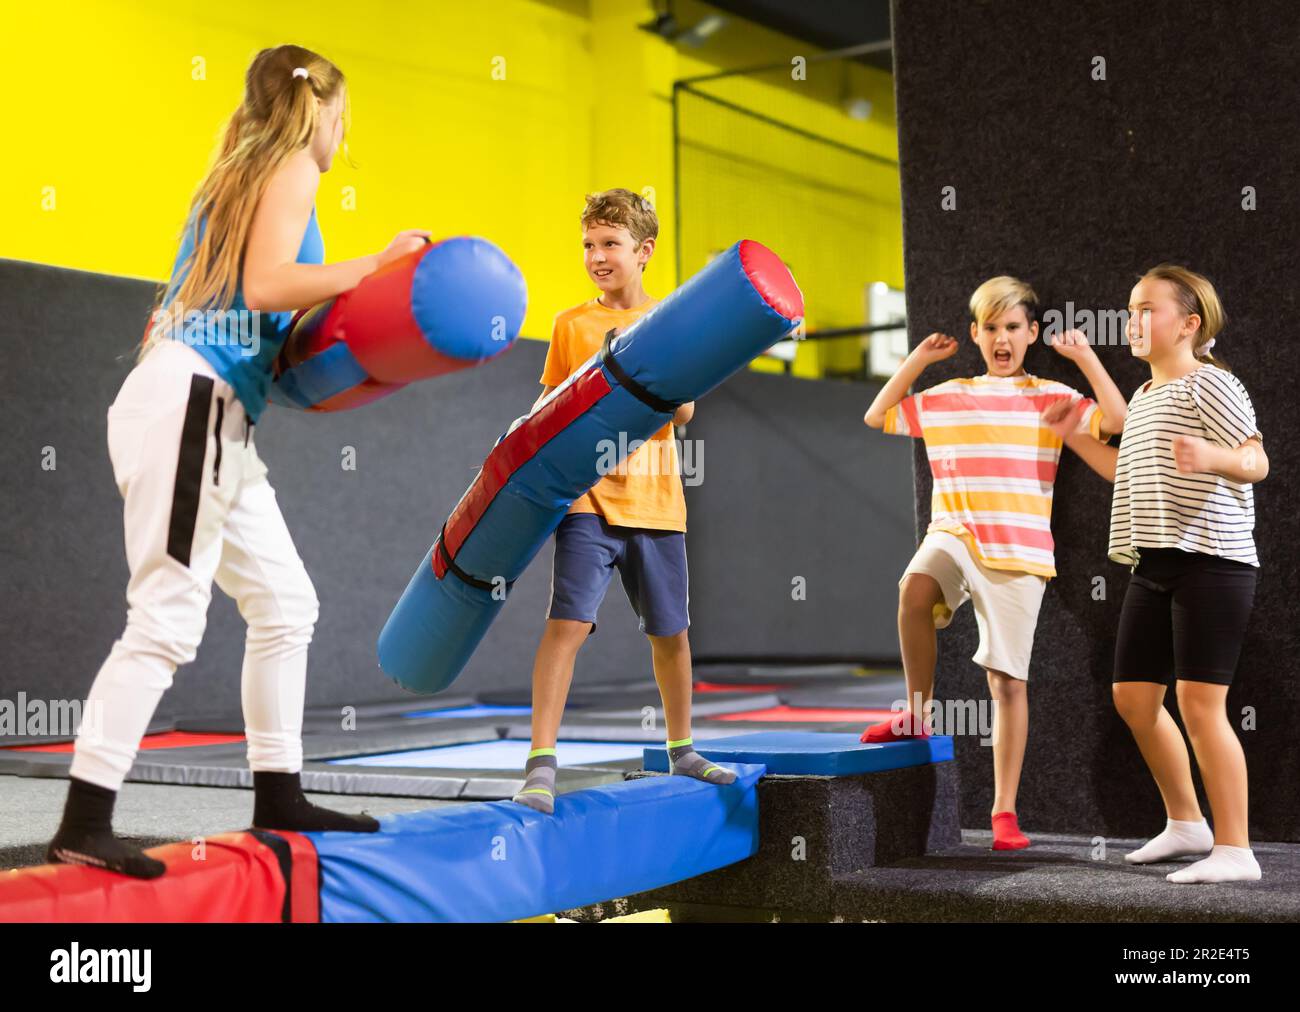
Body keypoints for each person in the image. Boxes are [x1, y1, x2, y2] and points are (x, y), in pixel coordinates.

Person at [47, 44, 429, 878]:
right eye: (344, 118)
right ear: (323, 111)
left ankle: (278, 791)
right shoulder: (292, 162)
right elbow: (264, 287)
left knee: (287, 603)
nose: (342, 135)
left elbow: (258, 304)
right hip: (191, 404)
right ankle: (85, 816)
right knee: (166, 619)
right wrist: (379, 265)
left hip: (210, 414)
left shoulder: (242, 165)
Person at [861, 276, 1128, 849]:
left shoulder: (1053, 395)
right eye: (991, 328)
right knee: (913, 588)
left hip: (1020, 550)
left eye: (1013, 327)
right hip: (954, 532)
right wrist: (915, 359)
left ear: (1031, 333)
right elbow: (876, 415)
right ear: (975, 334)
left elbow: (1120, 420)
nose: (1001, 338)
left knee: (1006, 684)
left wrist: (1084, 358)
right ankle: (914, 712)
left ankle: (1005, 813)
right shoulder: (949, 393)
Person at [1043, 264, 1267, 883]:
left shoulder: (1210, 385)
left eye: (1147, 310)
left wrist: (1215, 456)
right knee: (1134, 698)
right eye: (1130, 309)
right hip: (1154, 564)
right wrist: (1073, 437)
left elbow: (1257, 459)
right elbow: (1127, 474)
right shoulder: (1145, 395)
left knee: (1200, 705)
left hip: (1213, 564)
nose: (1132, 321)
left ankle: (1236, 850)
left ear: (1188, 324)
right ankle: (1186, 822)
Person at [511, 188, 732, 815]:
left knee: (671, 634)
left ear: (644, 251)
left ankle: (682, 747)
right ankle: (541, 762)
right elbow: (547, 407)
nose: (597, 256)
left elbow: (683, 409)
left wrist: (638, 369)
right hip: (589, 497)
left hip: (657, 500)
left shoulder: (671, 322)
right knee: (567, 624)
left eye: (610, 244)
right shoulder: (570, 324)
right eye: (588, 245)